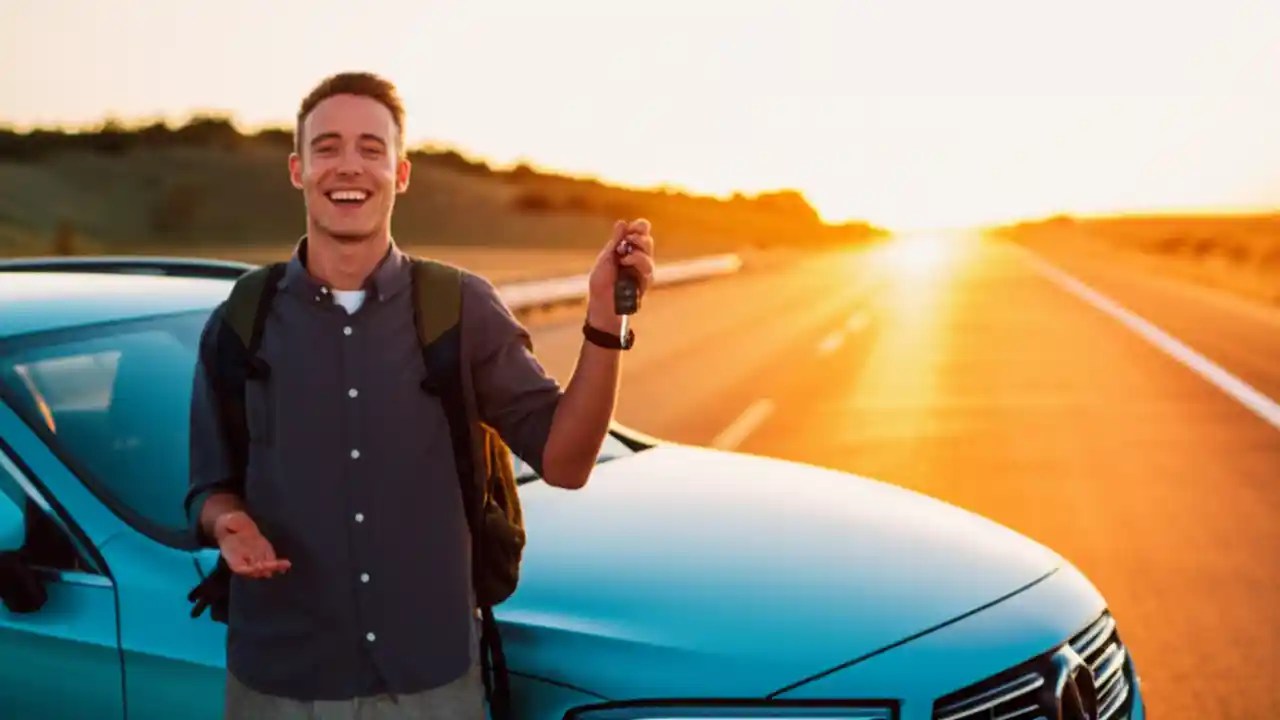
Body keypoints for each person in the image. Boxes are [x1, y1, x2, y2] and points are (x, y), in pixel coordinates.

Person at [183, 71, 656, 719]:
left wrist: (606, 319)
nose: (349, 165)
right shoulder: (242, 318)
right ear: (298, 169)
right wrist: (226, 523)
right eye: (327, 147)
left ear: (400, 173)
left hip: (431, 683)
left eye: (371, 148)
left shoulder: (460, 309)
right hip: (278, 683)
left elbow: (567, 463)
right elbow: (208, 487)